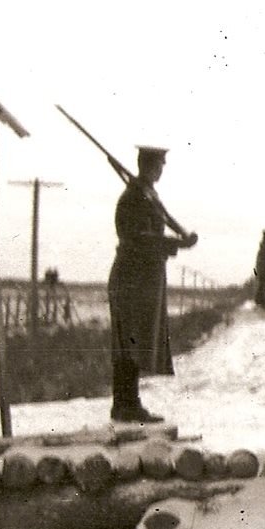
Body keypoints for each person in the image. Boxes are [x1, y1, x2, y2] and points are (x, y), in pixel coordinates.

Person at [107, 145, 198, 423]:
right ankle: (125, 405)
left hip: (143, 278)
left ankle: (127, 404)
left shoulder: (147, 195)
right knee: (129, 340)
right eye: (158, 165)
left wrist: (178, 240)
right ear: (146, 165)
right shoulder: (134, 197)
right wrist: (176, 243)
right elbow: (136, 238)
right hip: (133, 278)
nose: (161, 170)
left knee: (134, 340)